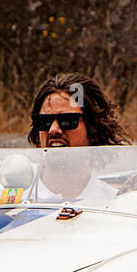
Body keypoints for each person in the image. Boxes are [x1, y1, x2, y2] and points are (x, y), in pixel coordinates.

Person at [17, 72, 128, 201]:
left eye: (67, 120)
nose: (53, 130)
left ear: (93, 129)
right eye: (44, 121)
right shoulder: (5, 202)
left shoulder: (113, 203)